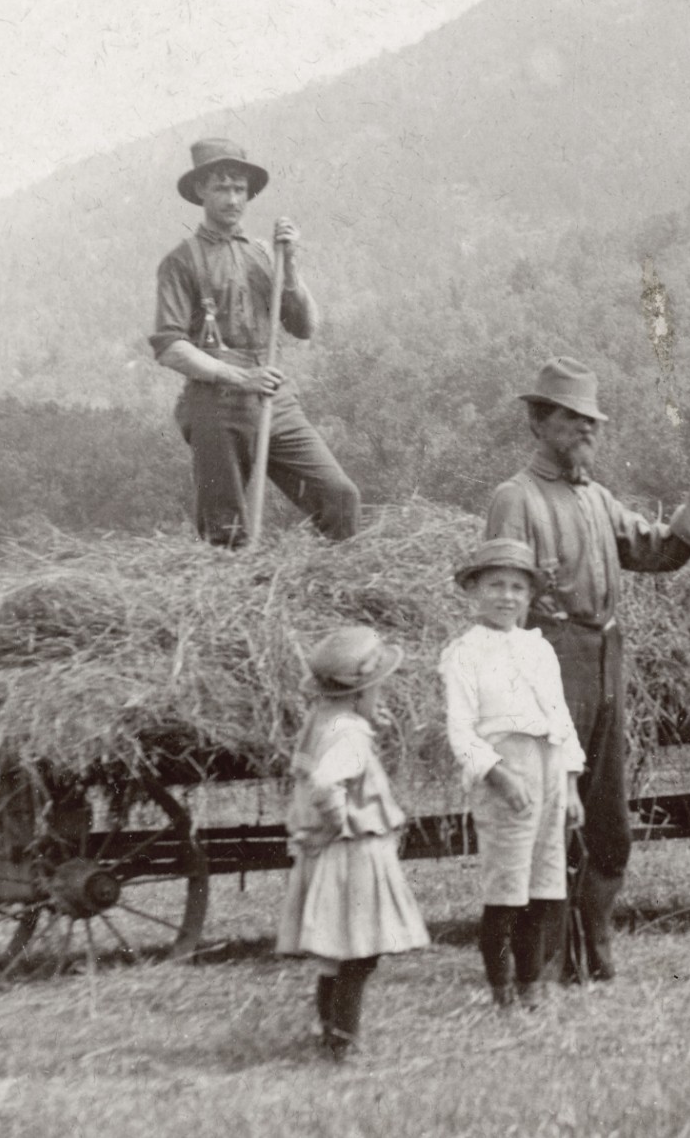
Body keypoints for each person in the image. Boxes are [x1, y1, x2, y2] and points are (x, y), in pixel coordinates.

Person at [482, 357, 690, 981]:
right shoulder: (516, 499)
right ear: (539, 422)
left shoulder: (598, 500)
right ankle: (549, 955)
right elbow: (502, 602)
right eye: (572, 419)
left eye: (592, 421)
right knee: (550, 818)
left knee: (610, 824)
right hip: (546, 660)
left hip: (605, 658)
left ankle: (598, 945)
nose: (586, 431)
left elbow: (663, 551)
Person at [149, 136, 360, 547]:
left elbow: (305, 327)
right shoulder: (180, 261)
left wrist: (291, 265)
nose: (232, 199)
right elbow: (170, 346)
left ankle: (340, 601)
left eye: (239, 189)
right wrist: (237, 376)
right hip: (214, 403)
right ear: (200, 192)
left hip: (275, 399)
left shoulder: (265, 255)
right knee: (225, 531)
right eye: (221, 188)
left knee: (339, 497)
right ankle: (231, 607)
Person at [441, 537, 586, 1009]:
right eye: (495, 586)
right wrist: (499, 776)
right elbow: (461, 732)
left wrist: (569, 782)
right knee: (507, 887)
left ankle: (531, 985)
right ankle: (502, 989)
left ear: (529, 596)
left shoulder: (537, 649)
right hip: (504, 772)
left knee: (544, 884)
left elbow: (559, 717)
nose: (506, 596)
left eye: (517, 588)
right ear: (473, 591)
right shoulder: (463, 653)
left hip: (547, 769)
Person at [275, 625, 431, 1061]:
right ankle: (343, 1042)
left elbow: (321, 762)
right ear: (360, 691)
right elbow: (327, 782)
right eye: (377, 689)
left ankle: (330, 1034)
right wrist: (336, 822)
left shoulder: (322, 718)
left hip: (330, 857)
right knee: (359, 954)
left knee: (335, 952)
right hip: (354, 855)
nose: (381, 696)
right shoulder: (350, 735)